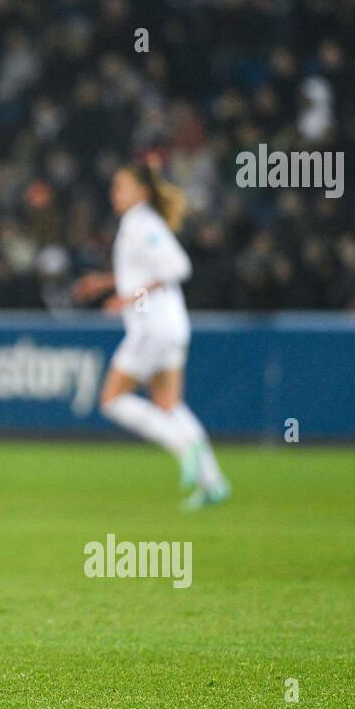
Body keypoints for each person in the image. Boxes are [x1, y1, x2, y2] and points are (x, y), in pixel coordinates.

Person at [74, 161, 228, 509]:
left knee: (112, 400)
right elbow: (142, 271)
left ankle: (181, 447)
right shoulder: (139, 223)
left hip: (152, 326)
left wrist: (127, 299)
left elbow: (177, 267)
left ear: (141, 192)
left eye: (121, 187)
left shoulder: (142, 223)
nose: (114, 193)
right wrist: (104, 282)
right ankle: (212, 481)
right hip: (171, 325)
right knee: (169, 405)